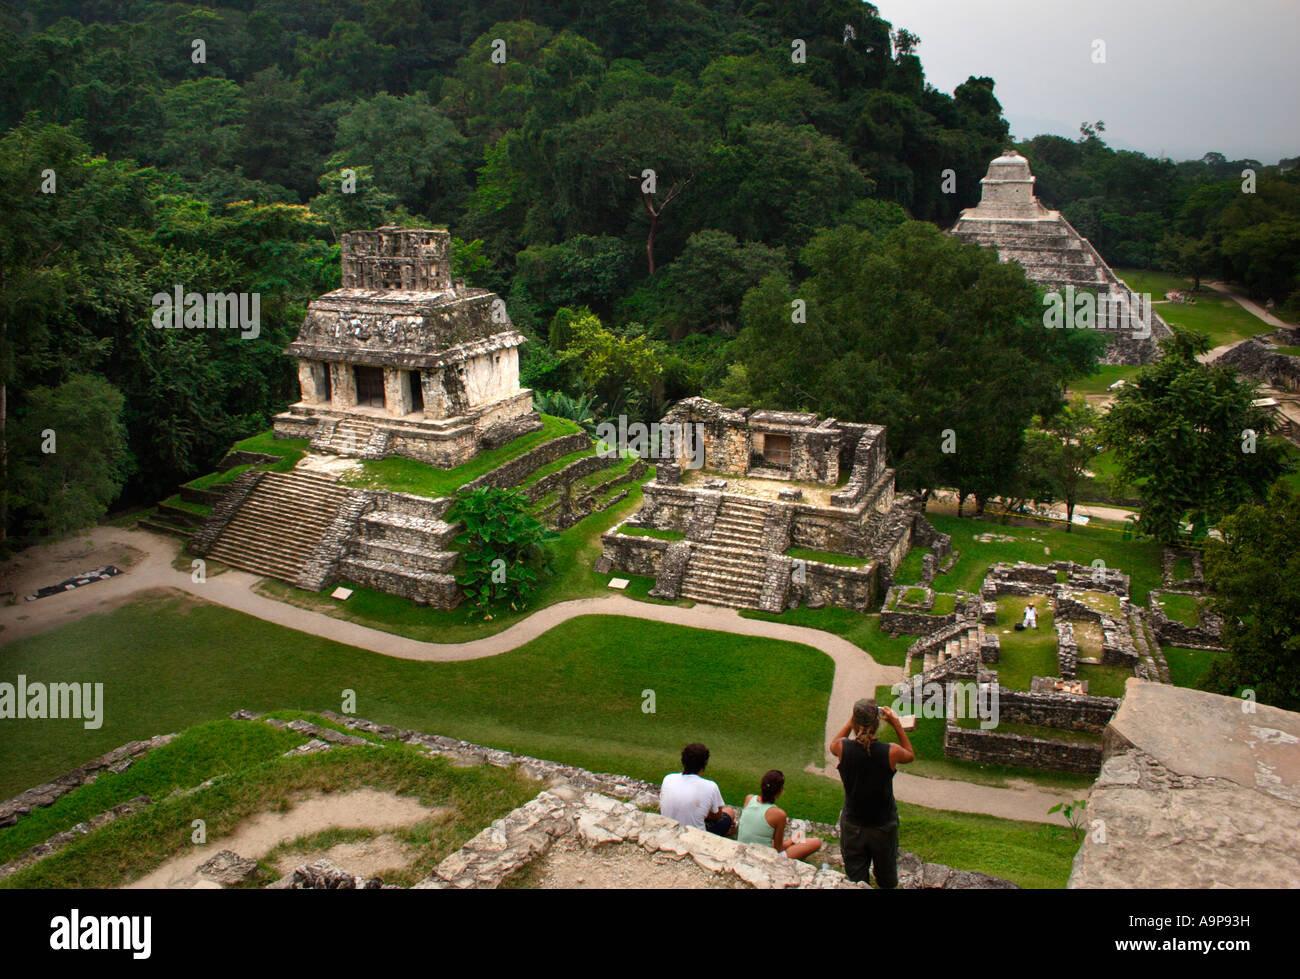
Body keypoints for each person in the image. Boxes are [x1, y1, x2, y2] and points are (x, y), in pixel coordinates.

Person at [830, 698, 914, 888]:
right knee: (886, 875)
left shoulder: (843, 748)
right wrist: (897, 724)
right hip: (882, 824)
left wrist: (851, 721)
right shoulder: (890, 751)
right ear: (877, 722)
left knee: (856, 878)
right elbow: (909, 754)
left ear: (855, 721)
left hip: (854, 823)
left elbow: (833, 744)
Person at [737, 770, 823, 860]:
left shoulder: (749, 798)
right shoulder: (779, 814)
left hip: (743, 848)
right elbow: (778, 849)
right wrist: (792, 841)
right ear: (779, 792)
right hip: (763, 857)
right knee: (816, 842)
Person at [660, 742, 735, 836]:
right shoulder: (711, 786)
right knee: (729, 812)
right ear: (704, 763)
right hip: (695, 836)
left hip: (668, 830)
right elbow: (717, 815)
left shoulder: (668, 779)